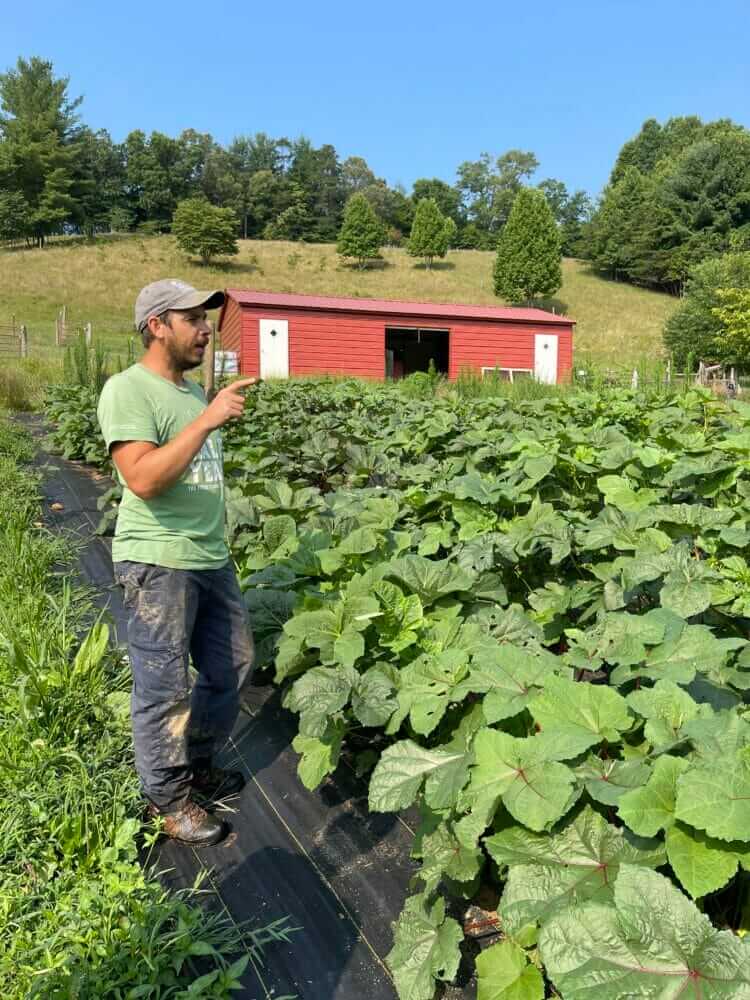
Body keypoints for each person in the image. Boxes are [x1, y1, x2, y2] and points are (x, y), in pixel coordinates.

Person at [97, 278, 256, 847]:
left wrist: (203, 413)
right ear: (157, 326)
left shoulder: (190, 395)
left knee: (233, 666)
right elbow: (142, 479)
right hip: (158, 560)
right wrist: (207, 420)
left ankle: (198, 765)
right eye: (192, 319)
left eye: (206, 319)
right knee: (164, 687)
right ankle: (168, 799)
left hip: (209, 556)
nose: (206, 329)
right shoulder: (128, 390)